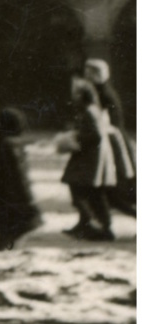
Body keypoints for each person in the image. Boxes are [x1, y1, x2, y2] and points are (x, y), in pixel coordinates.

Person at [0, 108, 43, 251]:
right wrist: (29, 198)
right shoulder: (11, 147)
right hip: (14, 199)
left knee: (7, 232)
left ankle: (4, 254)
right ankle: (7, 255)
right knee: (23, 227)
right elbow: (19, 176)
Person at [61, 79, 118, 241]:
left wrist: (76, 138)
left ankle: (93, 224)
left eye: (76, 93)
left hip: (89, 158)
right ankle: (99, 226)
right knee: (94, 192)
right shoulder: (91, 109)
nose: (74, 97)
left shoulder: (89, 111)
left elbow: (95, 135)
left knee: (79, 189)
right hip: (93, 157)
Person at [83, 59, 135, 218]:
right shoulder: (101, 91)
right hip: (113, 141)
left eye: (89, 72)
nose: (86, 75)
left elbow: (109, 122)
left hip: (113, 143)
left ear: (97, 74)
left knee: (115, 191)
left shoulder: (102, 93)